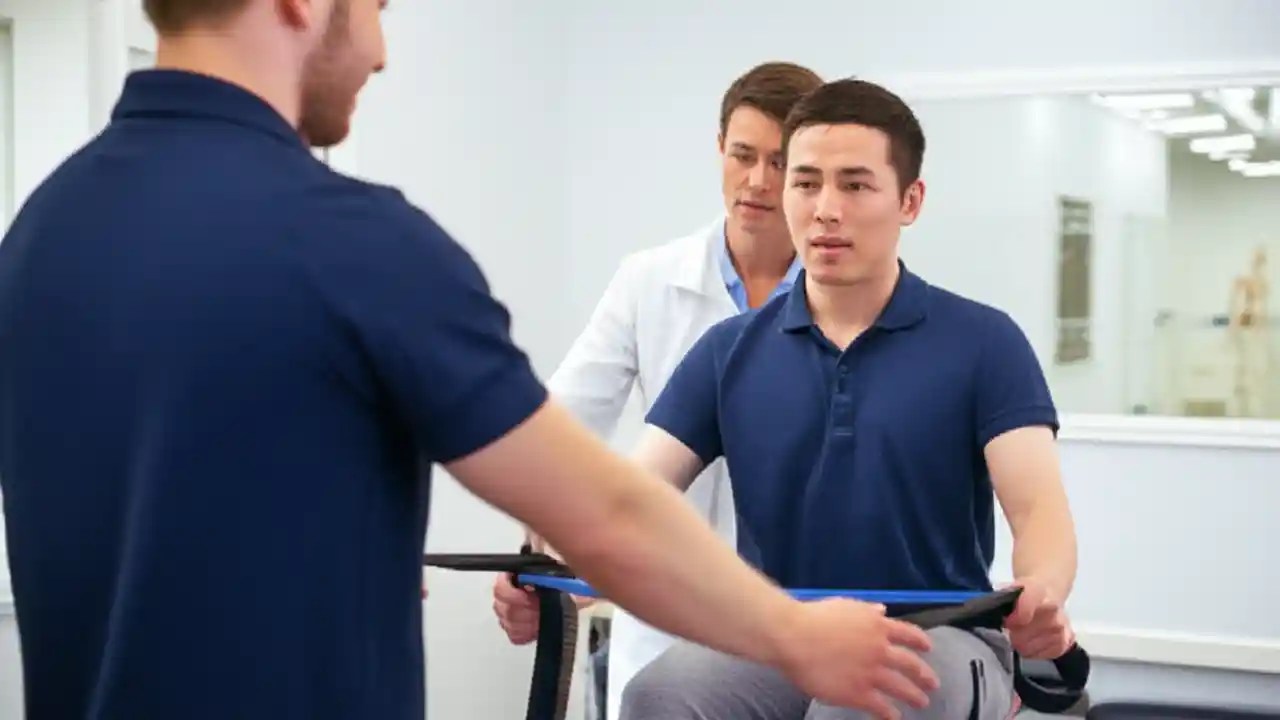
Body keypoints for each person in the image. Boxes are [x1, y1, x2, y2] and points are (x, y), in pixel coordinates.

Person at [0, 2, 941, 719]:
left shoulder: (41, 233)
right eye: (372, 4)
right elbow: (601, 505)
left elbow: (171, 487)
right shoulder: (359, 247)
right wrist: (795, 634)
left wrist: (349, 552)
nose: (379, 47)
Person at [616, 78, 1079, 720]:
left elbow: (1039, 515)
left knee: (859, 705)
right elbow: (628, 499)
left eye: (855, 185)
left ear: (910, 200)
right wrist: (543, 568)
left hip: (940, 634)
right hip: (779, 634)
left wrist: (1044, 593)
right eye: (806, 183)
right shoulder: (728, 351)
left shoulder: (984, 341)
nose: (825, 209)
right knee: (658, 694)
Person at [491, 60, 824, 718]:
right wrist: (536, 557)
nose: (757, 181)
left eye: (781, 162)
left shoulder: (844, 297)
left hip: (802, 626)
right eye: (742, 155)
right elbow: (557, 429)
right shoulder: (649, 282)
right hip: (665, 624)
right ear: (718, 149)